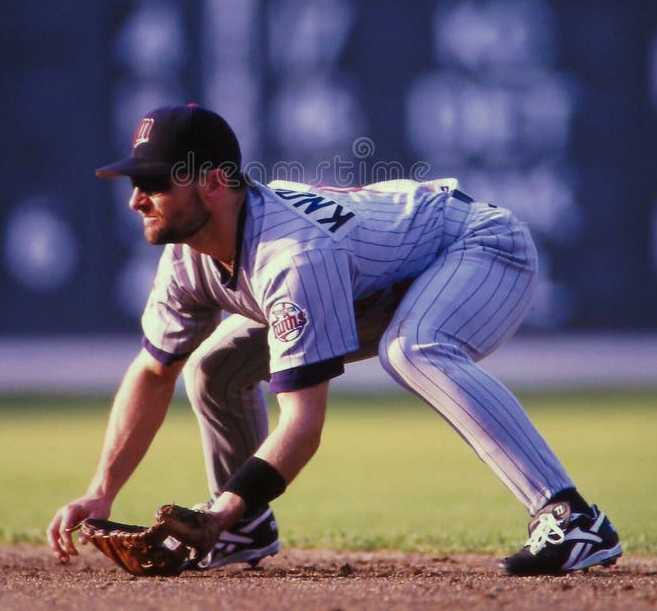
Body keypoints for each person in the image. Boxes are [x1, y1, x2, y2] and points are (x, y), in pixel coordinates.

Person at [46, 103, 622, 576]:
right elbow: (154, 372)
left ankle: (570, 516)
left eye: (153, 181)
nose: (135, 198)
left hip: (476, 244)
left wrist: (213, 513)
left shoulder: (291, 257)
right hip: (375, 282)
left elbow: (302, 424)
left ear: (215, 183)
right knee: (211, 371)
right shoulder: (186, 259)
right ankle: (244, 530)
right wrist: (101, 491)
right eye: (135, 180)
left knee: (413, 348)